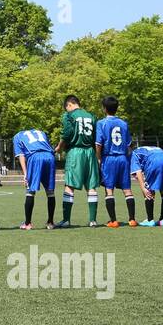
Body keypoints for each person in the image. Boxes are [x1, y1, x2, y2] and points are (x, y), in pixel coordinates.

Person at [53, 95, 99, 228]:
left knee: (69, 185)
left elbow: (66, 134)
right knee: (91, 187)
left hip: (75, 152)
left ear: (69, 105)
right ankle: (92, 220)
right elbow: (96, 136)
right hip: (90, 152)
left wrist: (59, 148)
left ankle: (66, 220)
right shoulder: (91, 115)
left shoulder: (68, 116)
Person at [96, 96, 136, 227]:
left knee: (109, 189)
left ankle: (113, 221)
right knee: (127, 189)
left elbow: (98, 144)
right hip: (123, 158)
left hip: (109, 158)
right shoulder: (124, 123)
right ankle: (132, 219)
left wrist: (99, 158)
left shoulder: (101, 123)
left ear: (104, 108)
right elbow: (130, 144)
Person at [13, 126, 57, 230]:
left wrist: (25, 174)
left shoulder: (17, 136)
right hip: (50, 157)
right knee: (50, 192)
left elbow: (21, 155)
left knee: (30, 191)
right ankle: (50, 222)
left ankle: (27, 223)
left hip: (35, 157)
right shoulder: (41, 132)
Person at [130, 145, 163, 226]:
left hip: (154, 162)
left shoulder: (134, 154)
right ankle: (162, 220)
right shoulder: (150, 148)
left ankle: (150, 220)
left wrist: (143, 188)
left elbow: (138, 172)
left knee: (148, 190)